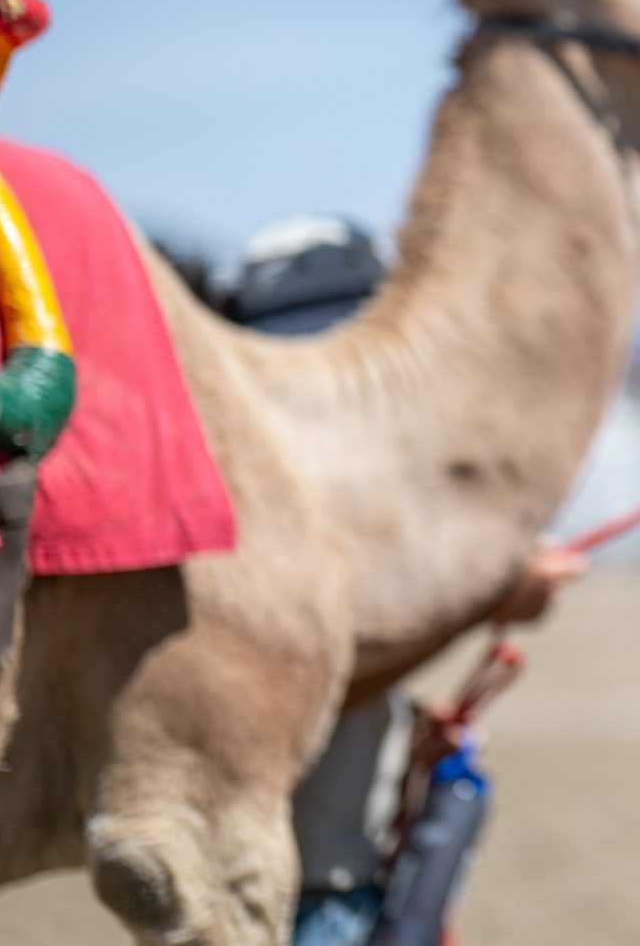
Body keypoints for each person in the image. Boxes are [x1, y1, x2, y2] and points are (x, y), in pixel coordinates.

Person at [222, 217, 583, 946]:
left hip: (307, 886)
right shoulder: (257, 514)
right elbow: (308, 676)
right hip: (300, 898)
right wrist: (484, 602)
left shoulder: (248, 488)